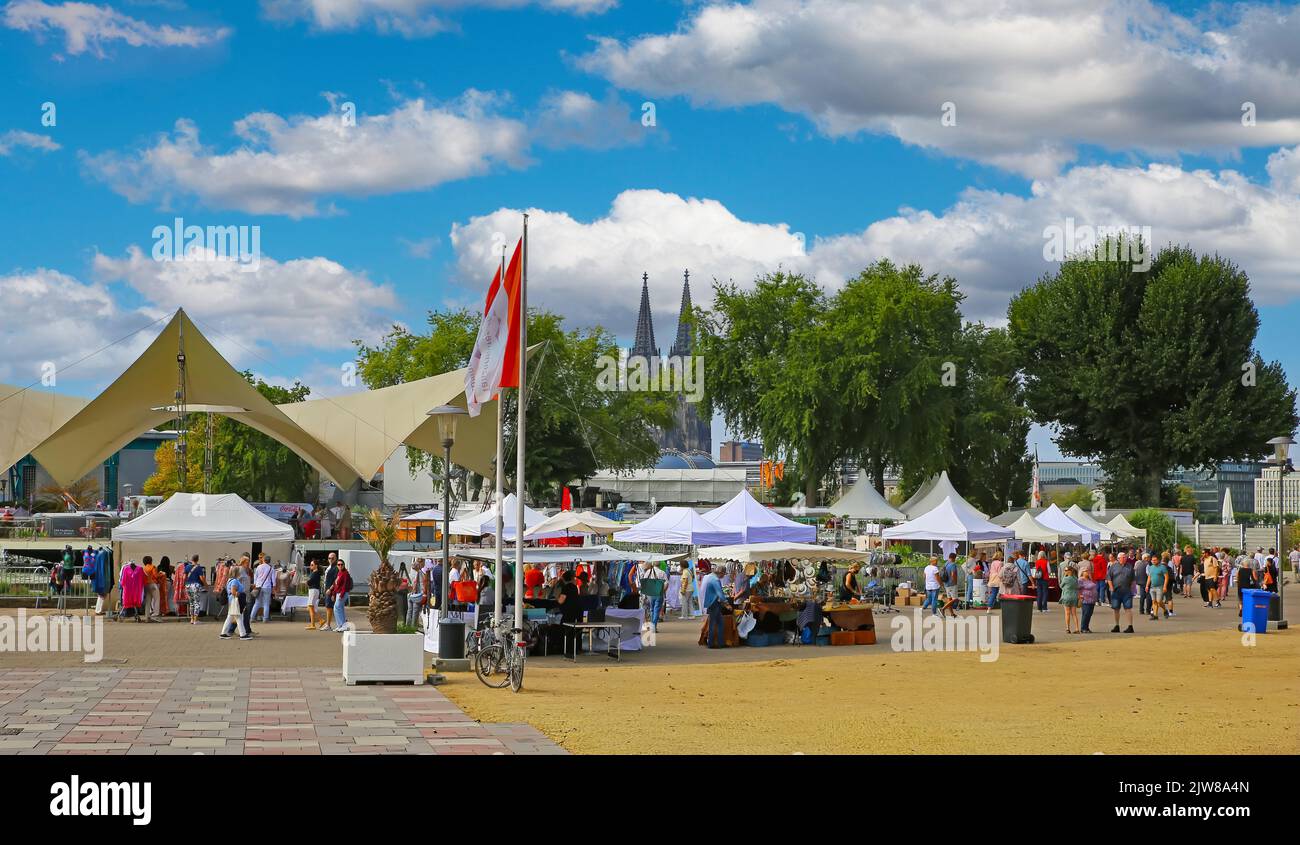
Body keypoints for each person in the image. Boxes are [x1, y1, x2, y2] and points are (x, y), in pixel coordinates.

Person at [1107, 552, 1136, 633]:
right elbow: (1109, 578)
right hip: (1116, 591)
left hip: (1127, 591)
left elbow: (1133, 579)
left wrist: (1133, 590)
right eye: (1122, 557)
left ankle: (1130, 626)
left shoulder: (1130, 567)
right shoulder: (1113, 567)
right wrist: (1111, 588)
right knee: (1116, 608)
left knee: (1128, 608)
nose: (1124, 559)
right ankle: (1117, 625)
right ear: (1118, 558)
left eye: (1125, 557)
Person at [219, 572, 251, 640]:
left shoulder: (230, 580)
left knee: (230, 617)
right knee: (239, 617)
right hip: (235, 601)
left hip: (232, 601)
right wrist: (240, 595)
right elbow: (233, 591)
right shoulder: (235, 581)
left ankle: (223, 633)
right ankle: (243, 635)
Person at [701, 564, 727, 648]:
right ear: (721, 572)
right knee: (714, 624)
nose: (724, 575)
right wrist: (726, 603)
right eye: (724, 573)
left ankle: (719, 643)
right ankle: (712, 643)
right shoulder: (715, 580)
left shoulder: (711, 578)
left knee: (719, 623)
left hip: (712, 603)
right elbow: (720, 593)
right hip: (714, 603)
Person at [557, 569, 582, 656]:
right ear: (571, 578)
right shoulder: (575, 587)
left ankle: (565, 648)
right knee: (576, 630)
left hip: (568, 612)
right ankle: (577, 648)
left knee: (564, 629)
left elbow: (561, 600)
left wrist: (557, 599)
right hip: (577, 611)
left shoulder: (566, 587)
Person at [329, 559, 353, 632]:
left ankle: (342, 625)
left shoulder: (345, 573)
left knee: (337, 608)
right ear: (337, 566)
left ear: (344, 565)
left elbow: (345, 586)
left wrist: (341, 595)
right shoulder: (339, 573)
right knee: (340, 609)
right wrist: (333, 594)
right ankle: (341, 625)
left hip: (343, 593)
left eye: (341, 564)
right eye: (338, 564)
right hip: (339, 593)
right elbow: (336, 585)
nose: (340, 566)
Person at [251, 553, 275, 623]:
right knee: (266, 604)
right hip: (267, 587)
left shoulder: (259, 567)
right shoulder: (271, 568)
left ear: (264, 560)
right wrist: (274, 588)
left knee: (257, 603)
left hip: (259, 586)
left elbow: (256, 576)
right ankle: (265, 619)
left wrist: (255, 584)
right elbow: (273, 580)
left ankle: (252, 618)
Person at [1146, 554, 1169, 621]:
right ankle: (1155, 615)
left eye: (1155, 560)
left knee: (1159, 601)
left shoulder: (1162, 567)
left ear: (1158, 560)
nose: (1153, 561)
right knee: (1154, 601)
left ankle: (1165, 610)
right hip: (1152, 587)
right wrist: (1147, 585)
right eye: (1152, 560)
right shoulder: (1151, 567)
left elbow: (1166, 577)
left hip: (1160, 587)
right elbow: (1149, 577)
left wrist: (1165, 586)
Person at [184, 555, 206, 624]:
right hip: (196, 586)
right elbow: (202, 578)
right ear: (198, 560)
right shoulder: (199, 568)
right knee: (197, 603)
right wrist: (206, 584)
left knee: (191, 603)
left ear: (191, 559)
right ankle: (196, 620)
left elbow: (184, 577)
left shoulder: (187, 567)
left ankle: (191, 619)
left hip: (188, 586)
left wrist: (185, 584)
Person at [320, 553, 339, 631]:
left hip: (331, 590)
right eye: (329, 558)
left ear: (336, 558)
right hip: (328, 589)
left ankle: (328, 625)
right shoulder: (330, 567)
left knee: (330, 607)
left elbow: (336, 581)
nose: (330, 560)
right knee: (331, 607)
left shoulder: (335, 568)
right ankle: (339, 623)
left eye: (332, 558)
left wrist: (330, 589)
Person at [1059, 565, 1079, 633]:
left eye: (1065, 570)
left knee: (1067, 613)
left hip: (1067, 596)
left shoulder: (1066, 579)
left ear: (1069, 571)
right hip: (1074, 596)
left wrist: (1065, 576)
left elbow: (1061, 586)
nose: (1064, 572)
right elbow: (1077, 587)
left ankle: (1068, 628)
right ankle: (1077, 628)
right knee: (1074, 613)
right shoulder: (1075, 578)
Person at [304, 560, 324, 630]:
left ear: (316, 565)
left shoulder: (315, 573)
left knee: (311, 607)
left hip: (313, 590)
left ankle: (313, 624)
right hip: (314, 590)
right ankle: (320, 621)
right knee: (313, 608)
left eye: (312, 565)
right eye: (310, 564)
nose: (310, 566)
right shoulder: (315, 573)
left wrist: (307, 582)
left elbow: (310, 582)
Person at [1078, 566, 1098, 633]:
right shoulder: (1080, 580)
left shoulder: (1089, 579)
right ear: (1082, 572)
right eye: (1086, 571)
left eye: (1088, 571)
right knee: (1086, 614)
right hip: (1085, 599)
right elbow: (1077, 588)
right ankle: (1083, 628)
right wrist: (1080, 595)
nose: (1087, 572)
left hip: (1092, 600)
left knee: (1089, 614)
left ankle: (1086, 627)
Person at [141, 556, 161, 622]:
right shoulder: (153, 567)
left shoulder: (143, 568)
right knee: (156, 599)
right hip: (153, 585)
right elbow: (156, 575)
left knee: (148, 601)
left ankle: (147, 616)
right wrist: (161, 573)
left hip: (146, 585)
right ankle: (155, 615)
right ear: (151, 560)